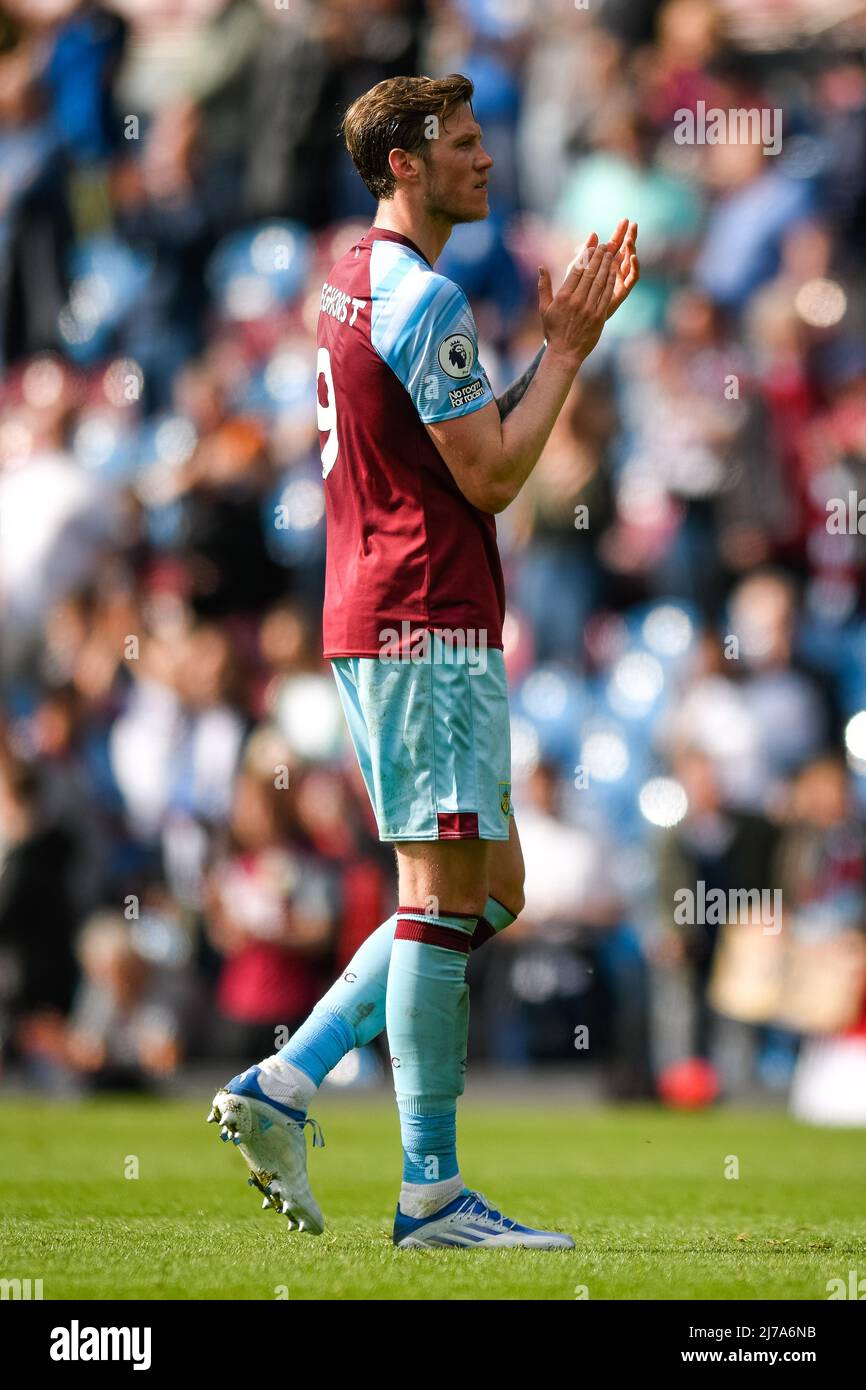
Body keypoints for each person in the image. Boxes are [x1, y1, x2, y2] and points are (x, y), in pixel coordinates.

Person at [208, 72, 639, 1248]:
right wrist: (564, 352)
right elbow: (493, 477)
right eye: (460, 144)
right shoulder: (427, 297)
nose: (484, 160)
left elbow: (445, 449)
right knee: (436, 896)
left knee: (487, 889)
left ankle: (285, 1081)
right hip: (423, 617)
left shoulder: (348, 279)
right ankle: (430, 1193)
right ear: (402, 163)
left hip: (384, 608)